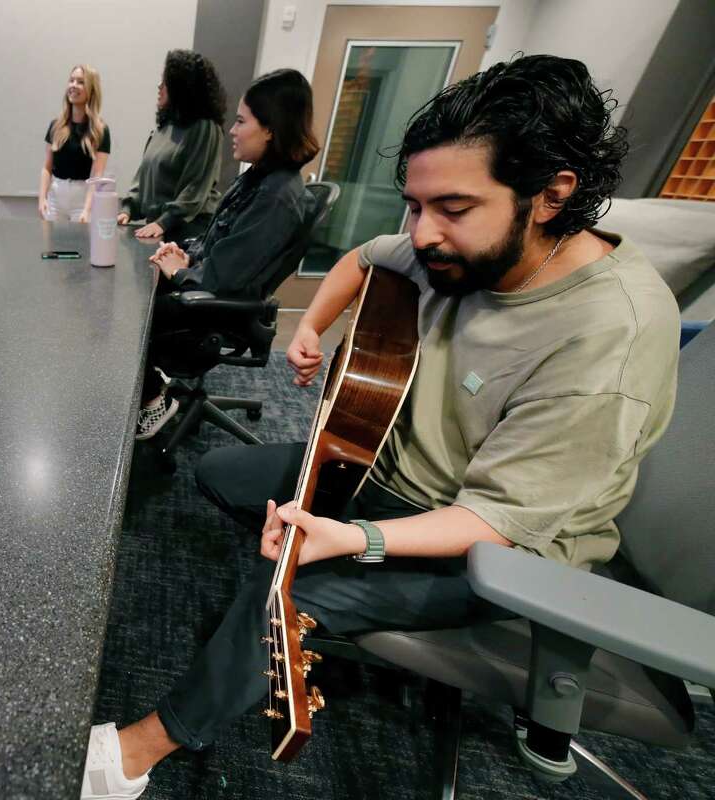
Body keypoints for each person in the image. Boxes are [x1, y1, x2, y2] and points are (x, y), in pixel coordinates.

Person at [81, 54, 680, 800]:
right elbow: (365, 258)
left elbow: (495, 519)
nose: (423, 235)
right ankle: (284, 599)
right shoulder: (453, 249)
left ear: (551, 195)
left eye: (452, 209)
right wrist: (313, 327)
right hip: (377, 469)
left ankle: (135, 757)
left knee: (286, 587)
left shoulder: (610, 334)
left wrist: (351, 539)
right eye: (414, 206)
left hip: (494, 549)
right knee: (217, 473)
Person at [135, 68, 320, 440]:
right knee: (137, 289)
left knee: (133, 317)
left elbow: (223, 279)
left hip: (218, 309)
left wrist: (179, 272)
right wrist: (185, 253)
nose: (232, 131)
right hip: (212, 291)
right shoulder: (258, 178)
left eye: (241, 121)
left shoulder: (276, 197)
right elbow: (217, 242)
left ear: (270, 129)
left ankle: (154, 397)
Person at [118, 49, 226, 243]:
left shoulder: (205, 127)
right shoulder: (164, 127)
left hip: (188, 231)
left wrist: (164, 222)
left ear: (181, 88)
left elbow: (196, 186)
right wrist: (128, 210)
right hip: (158, 229)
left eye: (166, 82)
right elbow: (143, 179)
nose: (159, 86)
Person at [38, 65, 111, 223]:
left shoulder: (100, 130)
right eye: (71, 80)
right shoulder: (56, 126)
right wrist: (42, 198)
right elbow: (47, 167)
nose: (74, 85)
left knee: (80, 239)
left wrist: (87, 209)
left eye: (80, 82)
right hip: (56, 197)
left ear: (91, 89)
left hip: (82, 199)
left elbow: (97, 175)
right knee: (52, 239)